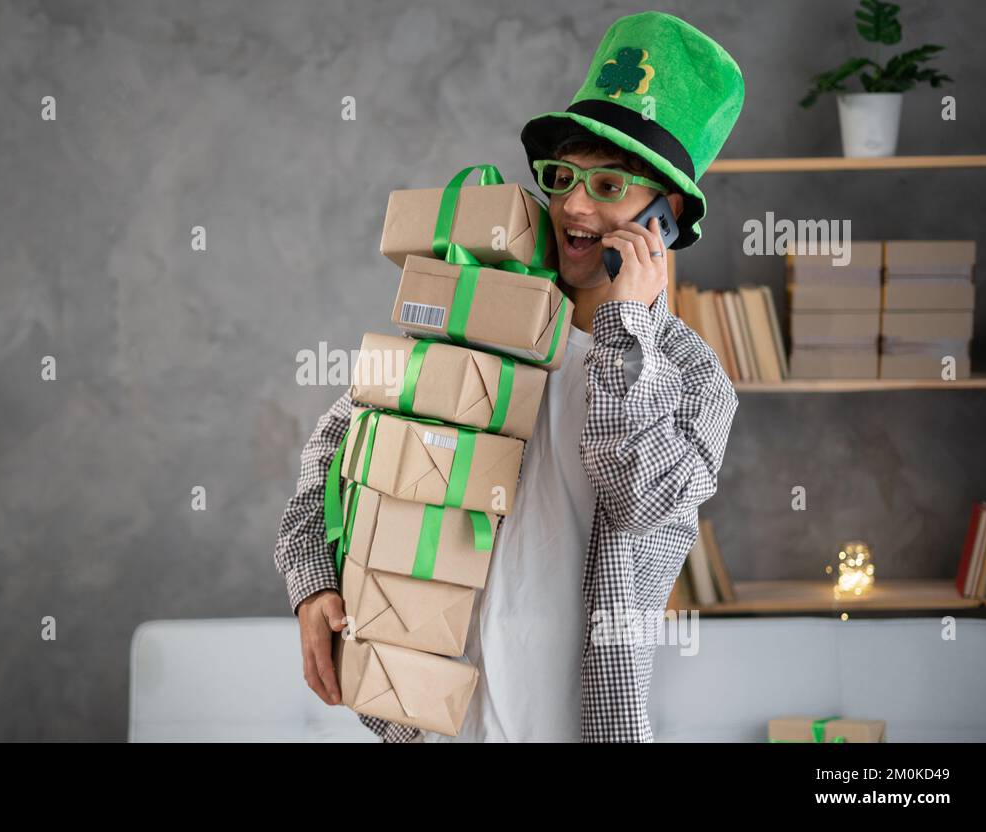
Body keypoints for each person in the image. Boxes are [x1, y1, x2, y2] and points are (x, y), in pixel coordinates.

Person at [273, 10, 745, 742]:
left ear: (667, 218)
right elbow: (335, 451)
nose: (574, 205)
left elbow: (640, 494)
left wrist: (625, 327)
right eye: (563, 178)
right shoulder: (482, 308)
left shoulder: (693, 378)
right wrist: (313, 583)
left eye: (610, 185)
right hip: (434, 721)